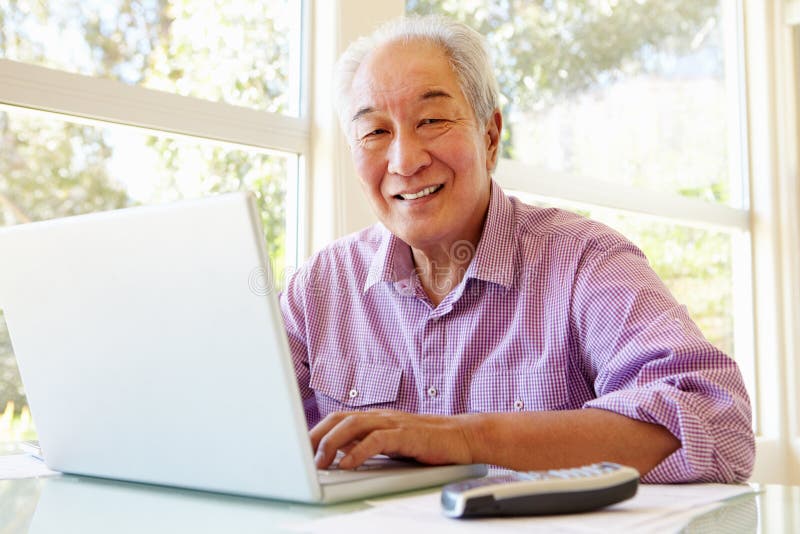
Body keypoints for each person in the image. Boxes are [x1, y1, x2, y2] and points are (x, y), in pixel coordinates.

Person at [279, 14, 755, 483]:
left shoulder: (585, 262)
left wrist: (465, 439)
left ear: (489, 137)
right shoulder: (318, 288)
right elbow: (241, 435)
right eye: (376, 132)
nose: (405, 160)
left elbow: (715, 418)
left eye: (432, 120)